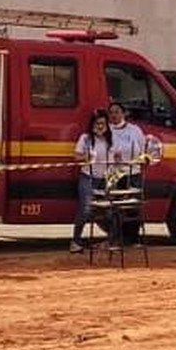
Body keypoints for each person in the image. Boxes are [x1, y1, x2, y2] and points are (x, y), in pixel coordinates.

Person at [70, 108, 112, 252]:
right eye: (98, 123)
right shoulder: (86, 138)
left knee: (108, 211)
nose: (100, 126)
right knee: (85, 209)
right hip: (88, 177)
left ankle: (110, 240)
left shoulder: (109, 139)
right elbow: (76, 156)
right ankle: (75, 241)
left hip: (104, 178)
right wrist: (86, 157)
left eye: (103, 123)